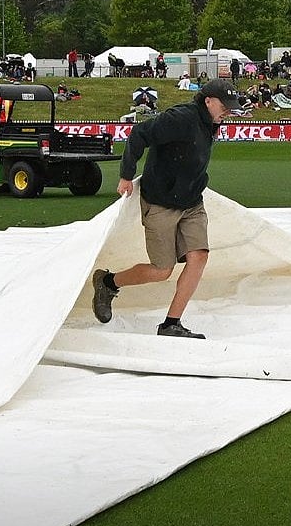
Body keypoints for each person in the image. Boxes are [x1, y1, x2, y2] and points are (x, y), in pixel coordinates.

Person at [90, 79, 241, 340]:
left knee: (199, 257)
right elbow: (139, 133)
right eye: (224, 106)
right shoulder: (180, 119)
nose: (228, 112)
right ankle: (107, 283)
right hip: (161, 202)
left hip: (192, 202)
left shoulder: (210, 123)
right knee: (162, 270)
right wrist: (126, 175)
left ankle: (171, 324)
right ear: (207, 101)